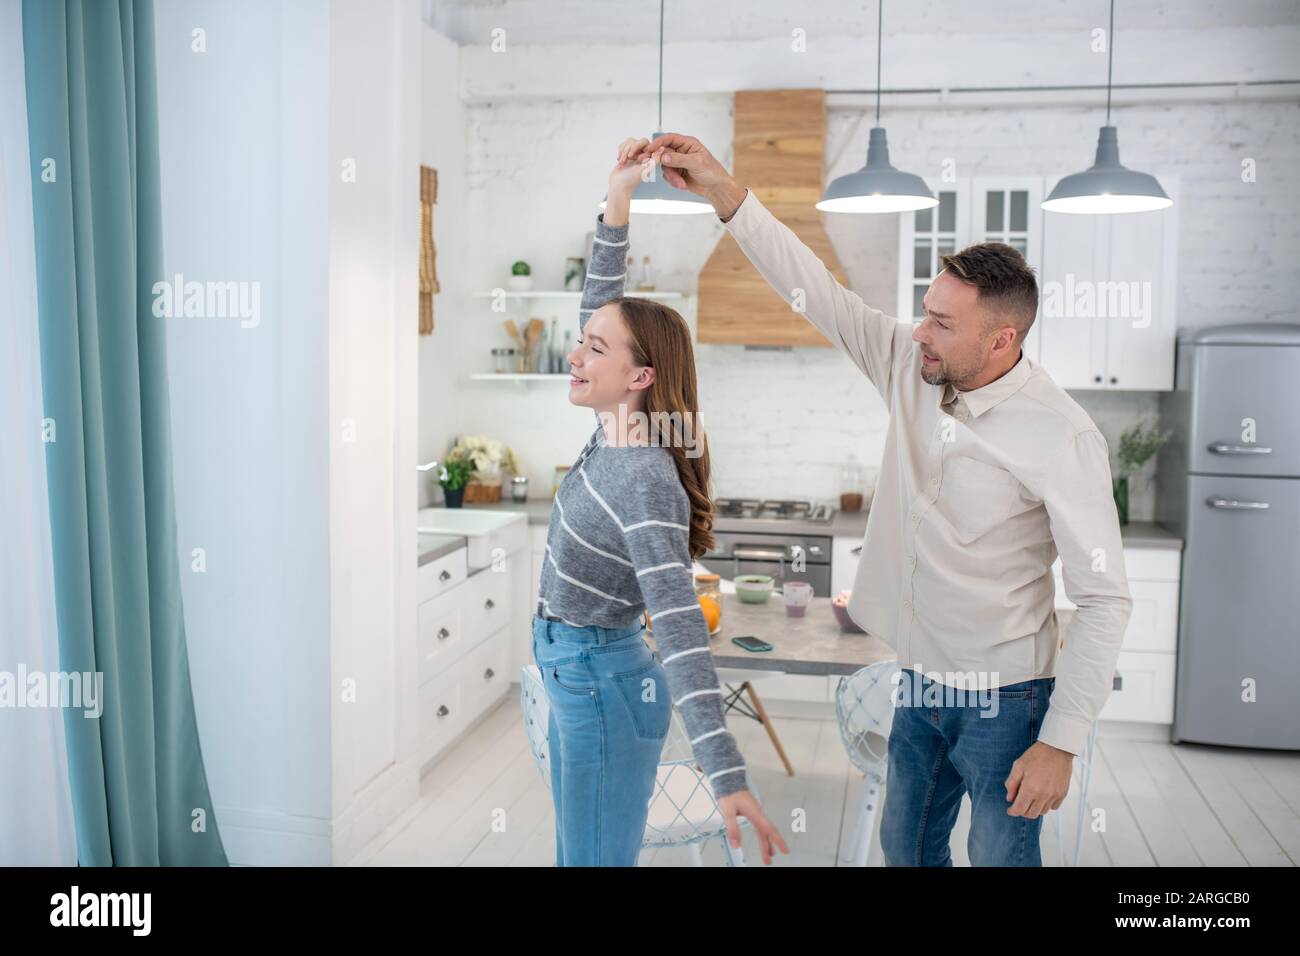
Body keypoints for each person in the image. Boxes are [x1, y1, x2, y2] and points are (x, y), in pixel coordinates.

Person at [632, 132, 1133, 866]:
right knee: (905, 851)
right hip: (919, 682)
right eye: (926, 311)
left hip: (1009, 698)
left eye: (942, 323)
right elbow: (816, 290)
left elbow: (1106, 598)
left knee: (999, 856)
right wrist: (719, 188)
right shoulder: (912, 363)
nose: (919, 332)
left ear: (1002, 340)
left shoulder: (1062, 435)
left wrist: (1060, 739)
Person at [530, 137, 789, 867]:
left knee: (592, 861)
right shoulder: (612, 430)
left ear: (641, 377)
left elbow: (677, 629)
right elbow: (601, 308)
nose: (577, 357)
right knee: (578, 854)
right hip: (576, 671)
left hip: (602, 684)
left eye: (595, 351)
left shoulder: (643, 476)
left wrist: (727, 774)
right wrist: (619, 198)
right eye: (583, 345)